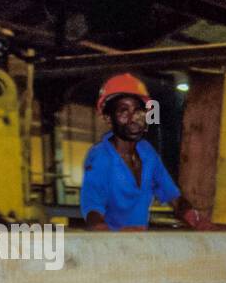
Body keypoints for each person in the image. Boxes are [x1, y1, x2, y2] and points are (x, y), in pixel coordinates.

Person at [81, 73, 211, 232]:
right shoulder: (99, 157)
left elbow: (173, 196)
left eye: (138, 111)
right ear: (108, 118)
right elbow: (93, 209)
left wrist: (197, 220)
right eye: (123, 112)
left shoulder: (147, 153)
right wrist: (110, 235)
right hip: (109, 249)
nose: (133, 119)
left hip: (140, 245)